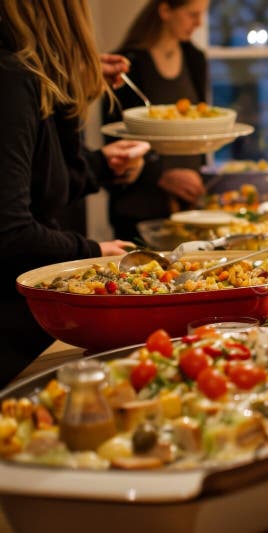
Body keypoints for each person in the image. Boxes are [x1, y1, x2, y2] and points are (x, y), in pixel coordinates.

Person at [0, 0, 150, 387]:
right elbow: (11, 233)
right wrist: (93, 253)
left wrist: (102, 164)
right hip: (12, 335)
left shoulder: (27, 76)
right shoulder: (11, 79)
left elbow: (46, 177)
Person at [103, 0, 209, 241]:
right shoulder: (127, 64)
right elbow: (113, 138)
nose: (199, 23)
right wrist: (160, 174)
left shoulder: (195, 59)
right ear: (165, 11)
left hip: (188, 207)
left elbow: (201, 122)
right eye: (192, 14)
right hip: (138, 209)